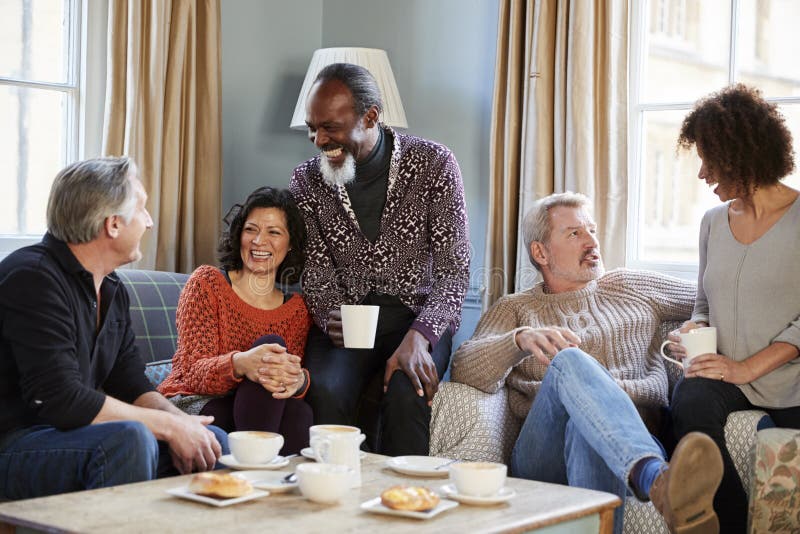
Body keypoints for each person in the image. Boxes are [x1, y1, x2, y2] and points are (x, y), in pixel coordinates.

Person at [450, 192, 724, 534]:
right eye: (574, 233)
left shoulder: (631, 286)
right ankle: (655, 479)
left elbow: (715, 295)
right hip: (542, 456)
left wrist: (697, 322)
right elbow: (463, 366)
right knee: (568, 361)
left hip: (630, 441)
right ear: (541, 252)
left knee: (586, 429)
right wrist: (518, 340)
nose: (592, 241)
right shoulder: (516, 308)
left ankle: (654, 480)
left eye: (591, 230)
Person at [0, 157, 227, 500]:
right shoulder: (32, 277)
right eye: (142, 209)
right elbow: (60, 399)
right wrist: (168, 426)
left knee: (214, 443)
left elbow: (130, 381)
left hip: (70, 436)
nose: (149, 222)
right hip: (16, 441)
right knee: (128, 440)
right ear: (113, 224)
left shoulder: (112, 289)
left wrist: (181, 423)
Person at [289, 63, 470, 456]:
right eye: (312, 127)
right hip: (345, 321)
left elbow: (453, 273)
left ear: (370, 117)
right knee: (326, 390)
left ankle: (407, 501)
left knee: (409, 392)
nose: (318, 139)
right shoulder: (306, 181)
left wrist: (420, 338)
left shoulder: (434, 164)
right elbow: (315, 272)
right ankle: (335, 500)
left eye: (330, 127)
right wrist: (328, 316)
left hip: (414, 318)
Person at [669, 84, 800, 533]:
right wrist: (694, 328)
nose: (703, 173)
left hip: (790, 381)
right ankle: (723, 520)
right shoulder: (712, 223)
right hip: (729, 378)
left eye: (710, 158)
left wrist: (746, 368)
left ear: (742, 153)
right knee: (688, 399)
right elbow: (702, 303)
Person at [158, 187, 313, 455]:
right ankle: (258, 477)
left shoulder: (297, 310)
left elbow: (283, 380)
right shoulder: (207, 283)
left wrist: (298, 381)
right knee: (271, 347)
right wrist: (241, 363)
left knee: (299, 412)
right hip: (198, 401)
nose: (258, 241)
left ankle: (268, 487)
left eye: (273, 232)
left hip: (259, 406)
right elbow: (194, 372)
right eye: (251, 229)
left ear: (290, 245)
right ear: (238, 234)